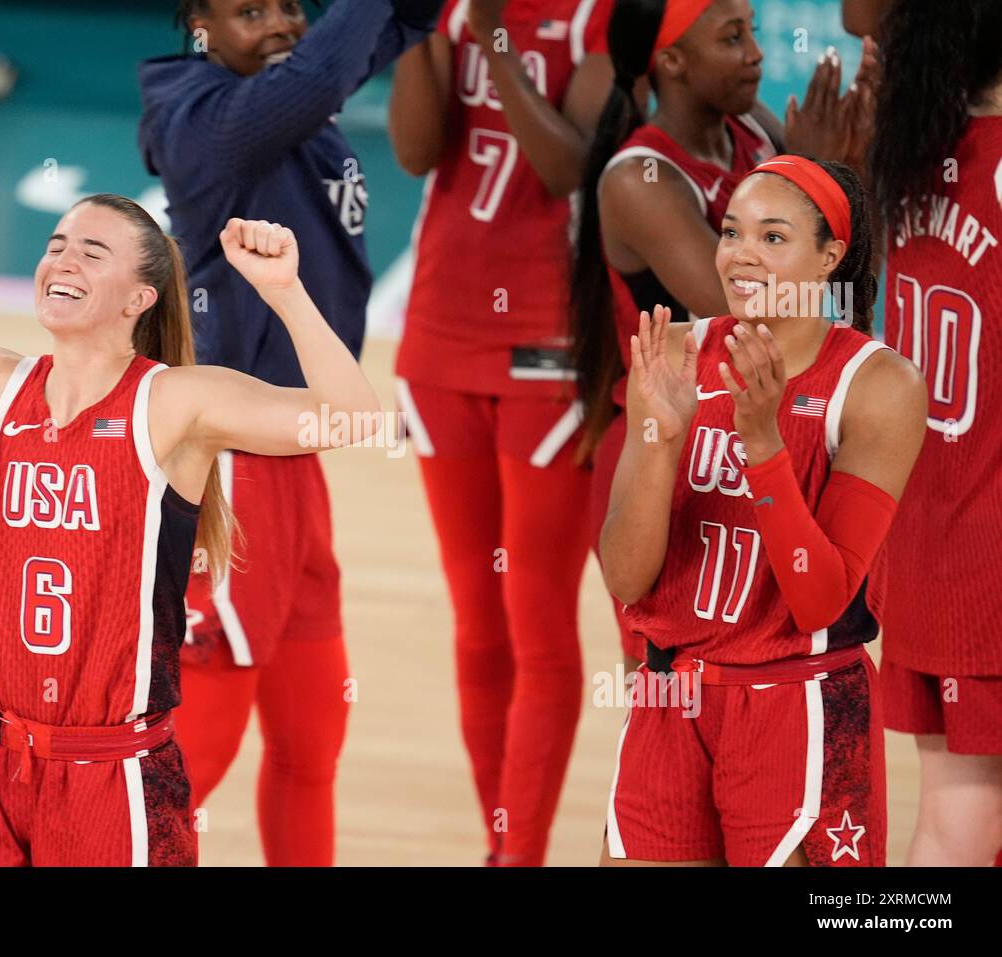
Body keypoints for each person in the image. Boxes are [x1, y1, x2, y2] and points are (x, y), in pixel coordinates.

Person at [0, 195, 380, 866]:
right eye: (55, 244)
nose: (62, 260)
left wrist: (285, 292)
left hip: (111, 776)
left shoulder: (175, 403)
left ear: (140, 297)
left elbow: (352, 421)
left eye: (91, 251)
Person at [137, 0, 441, 866]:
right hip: (233, 475)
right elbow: (318, 75)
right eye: (248, 10)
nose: (278, 22)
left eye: (289, 7)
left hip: (298, 466)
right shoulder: (204, 120)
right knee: (187, 773)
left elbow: (398, 24)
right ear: (196, 26)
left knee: (313, 745)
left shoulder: (282, 100)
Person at [599, 156, 926, 866]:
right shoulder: (678, 353)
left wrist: (764, 442)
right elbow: (626, 579)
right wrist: (661, 441)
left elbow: (819, 598)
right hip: (670, 697)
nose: (743, 254)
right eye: (731, 232)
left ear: (829, 257)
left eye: (774, 237)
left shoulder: (878, 386)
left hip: (797, 707)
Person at [571, 0, 871, 671]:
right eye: (732, 39)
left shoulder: (754, 133)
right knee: (667, 678)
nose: (756, 55)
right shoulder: (639, 176)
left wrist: (849, 164)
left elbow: (831, 288)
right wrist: (819, 177)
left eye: (754, 33)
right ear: (671, 60)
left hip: (757, 432)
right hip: (665, 443)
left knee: (766, 662)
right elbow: (749, 319)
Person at [387, 0, 615, 867]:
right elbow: (414, 151)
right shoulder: (443, 12)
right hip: (441, 337)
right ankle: (502, 846)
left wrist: (496, 43)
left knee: (539, 620)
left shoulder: (595, 14)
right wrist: (414, 27)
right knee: (477, 619)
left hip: (551, 342)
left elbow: (565, 167)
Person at [863, 0, 1002, 867]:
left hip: (921, 543)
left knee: (958, 814)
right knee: (962, 826)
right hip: (984, 554)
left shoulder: (913, 148)